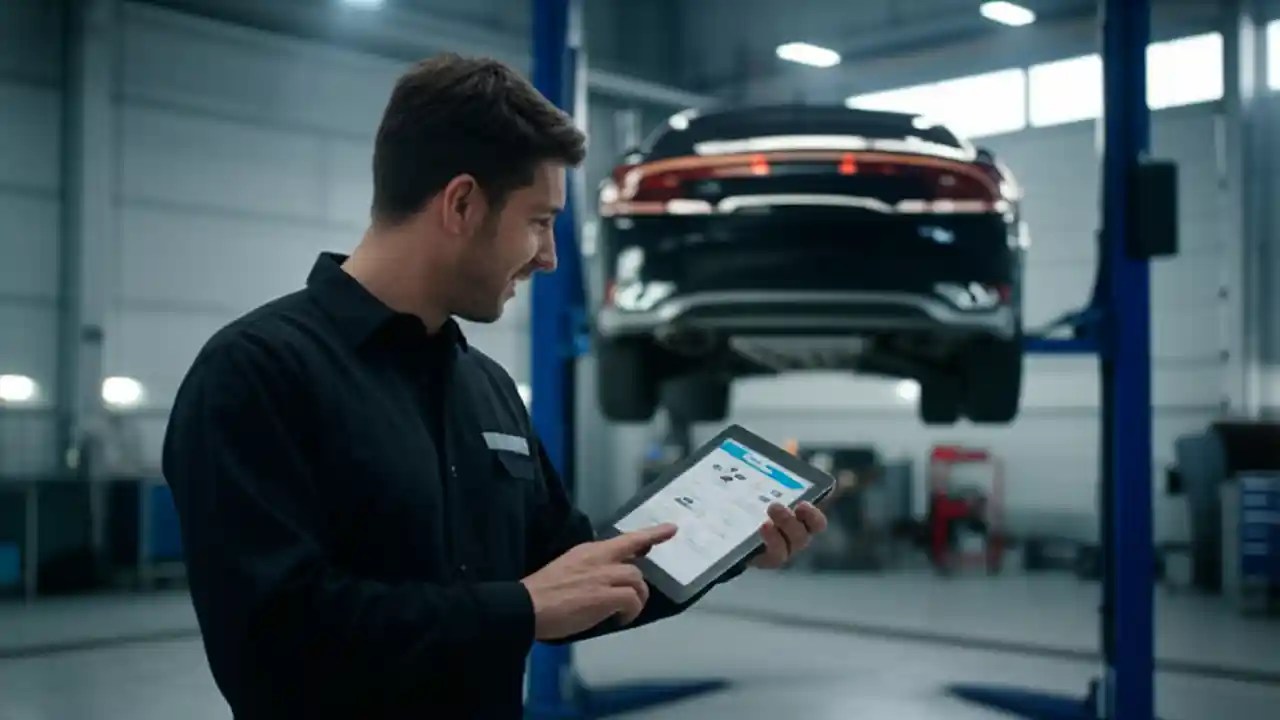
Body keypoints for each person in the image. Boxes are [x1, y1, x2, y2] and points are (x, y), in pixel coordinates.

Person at [161, 53, 828, 719]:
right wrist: (520, 607)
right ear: (461, 204)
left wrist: (726, 545)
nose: (549, 257)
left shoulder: (486, 388)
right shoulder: (257, 373)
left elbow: (575, 578)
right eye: (539, 221)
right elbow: (272, 637)